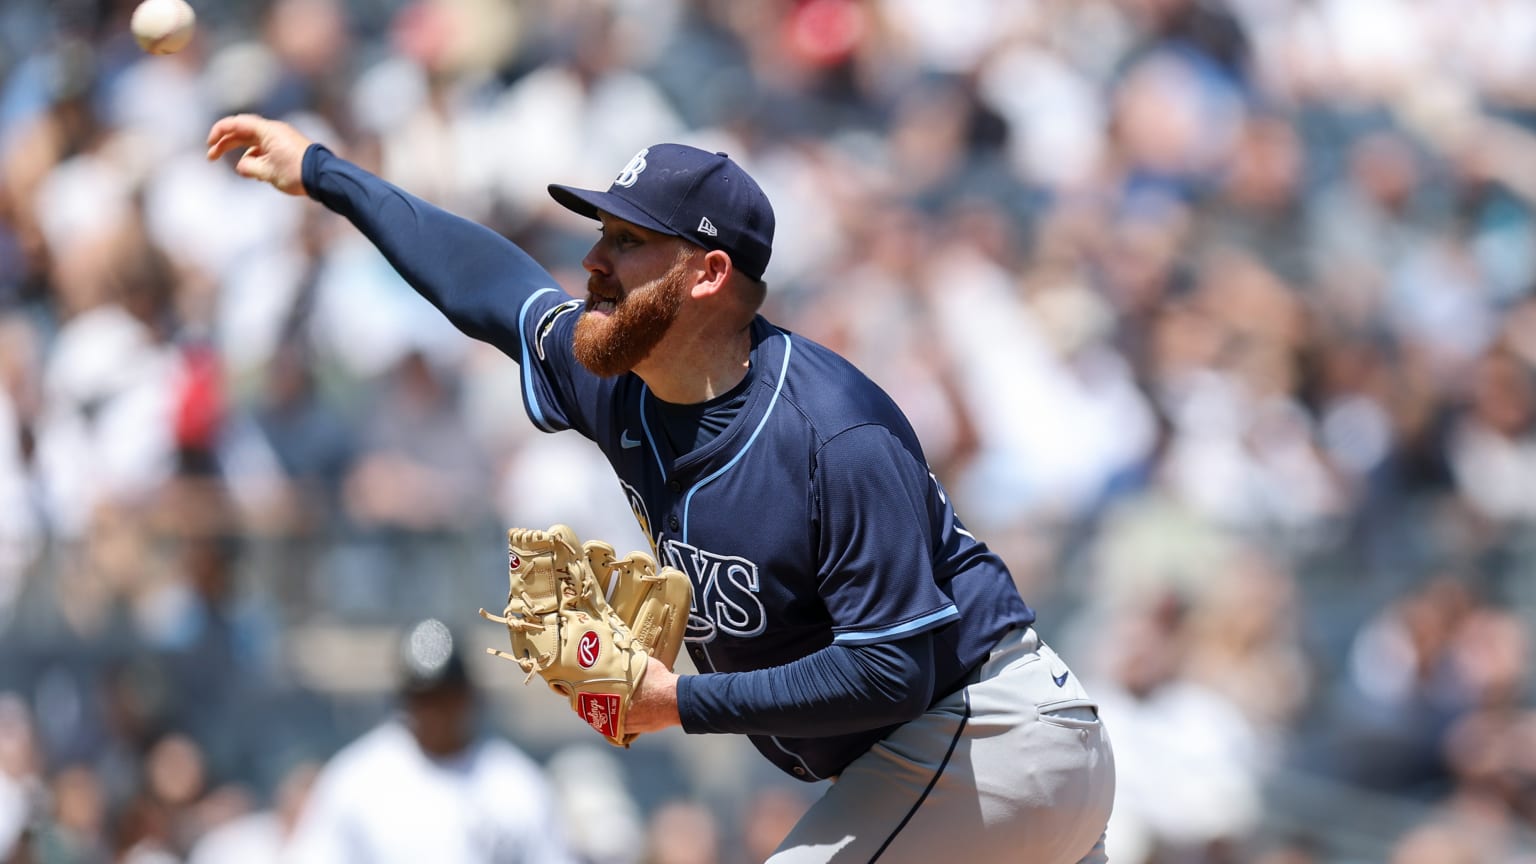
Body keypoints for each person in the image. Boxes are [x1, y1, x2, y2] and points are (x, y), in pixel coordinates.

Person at [206, 113, 1116, 863]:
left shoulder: (836, 433)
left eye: (629, 241)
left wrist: (670, 700)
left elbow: (890, 669)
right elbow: (484, 283)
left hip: (993, 737)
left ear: (709, 274)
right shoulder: (612, 374)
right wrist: (324, 173)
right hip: (945, 766)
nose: (594, 261)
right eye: (601, 233)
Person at [282, 618, 577, 864]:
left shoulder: (516, 786)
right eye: (421, 698)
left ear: (467, 696)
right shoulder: (357, 782)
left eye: (444, 696)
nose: (433, 711)